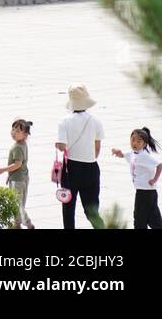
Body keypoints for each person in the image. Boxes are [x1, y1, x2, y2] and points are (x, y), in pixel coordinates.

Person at [55, 83, 105, 229]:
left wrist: (59, 145)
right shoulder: (96, 121)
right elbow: (97, 149)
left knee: (68, 208)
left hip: (70, 169)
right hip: (90, 167)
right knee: (91, 210)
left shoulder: (64, 121)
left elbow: (62, 146)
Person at [111, 127, 162, 229]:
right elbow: (124, 155)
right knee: (148, 217)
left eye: (139, 141)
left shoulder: (144, 156)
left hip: (147, 192)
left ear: (144, 144)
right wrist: (118, 152)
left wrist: (155, 179)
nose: (135, 143)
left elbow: (160, 165)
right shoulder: (133, 153)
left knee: (141, 218)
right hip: (141, 191)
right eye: (133, 140)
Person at [0, 119, 35, 229]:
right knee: (19, 201)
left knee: (17, 203)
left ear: (25, 135)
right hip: (22, 177)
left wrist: (2, 170)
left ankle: (28, 223)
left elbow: (17, 164)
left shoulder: (17, 147)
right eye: (13, 129)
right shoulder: (22, 144)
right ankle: (16, 223)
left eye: (17, 131)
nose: (13, 132)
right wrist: (9, 175)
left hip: (18, 180)